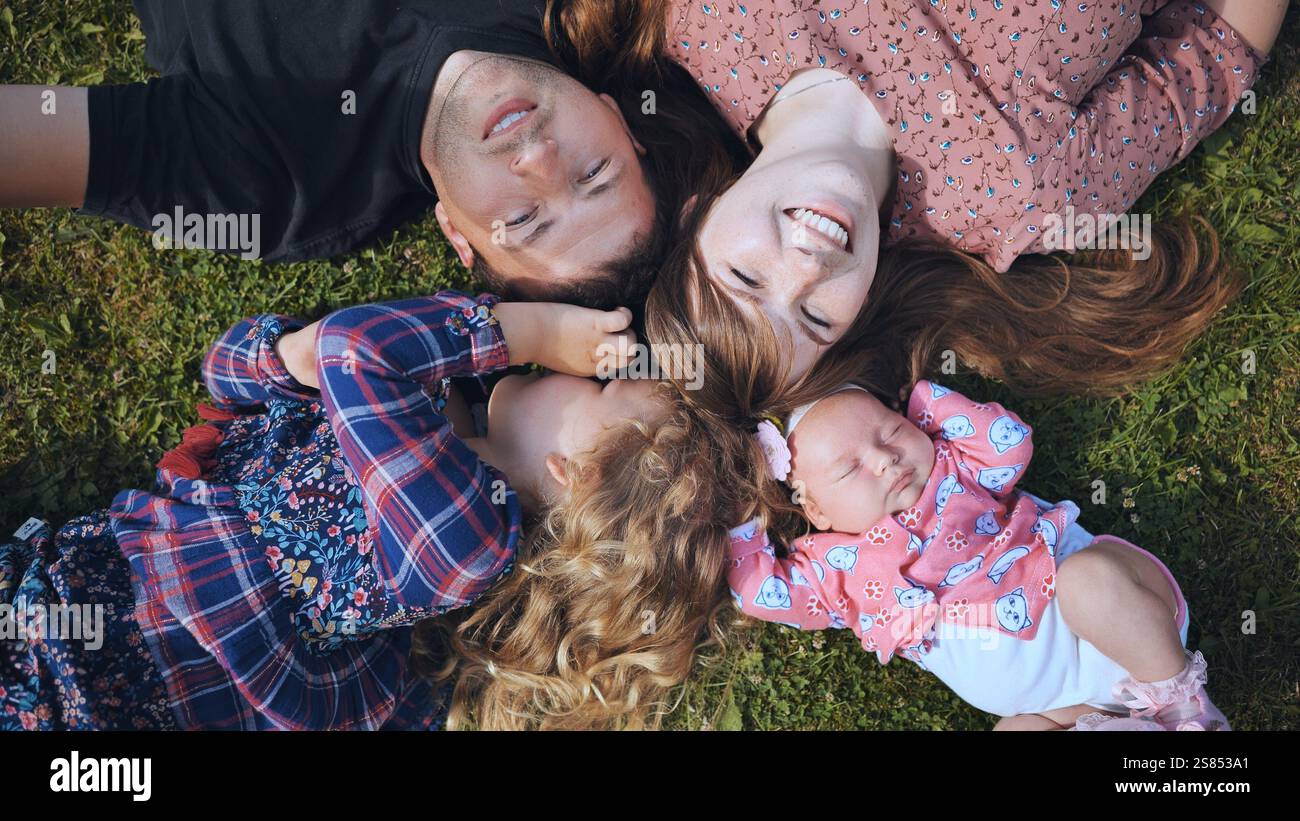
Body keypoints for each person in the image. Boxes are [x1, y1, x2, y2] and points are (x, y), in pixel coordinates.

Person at [0, 290, 747, 730]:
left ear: (575, 474)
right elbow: (228, 375)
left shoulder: (468, 538)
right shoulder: (425, 406)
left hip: (108, 680)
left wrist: (531, 327)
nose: (575, 362)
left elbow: (354, 347)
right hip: (88, 593)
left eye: (601, 384)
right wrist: (296, 353)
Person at [646, 0, 1284, 395]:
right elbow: (1214, 49)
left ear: (695, 213)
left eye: (746, 276)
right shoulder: (1019, 199)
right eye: (816, 318)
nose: (807, 268)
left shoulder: (706, 20)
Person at [0, 0, 744, 308]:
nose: (540, 160)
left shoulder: (284, 186)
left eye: (524, 220)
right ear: (620, 119)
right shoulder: (592, 11)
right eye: (594, 173)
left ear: (458, 236)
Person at [725, 380, 1228, 731]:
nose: (883, 460)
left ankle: (1182, 703)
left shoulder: (955, 471)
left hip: (1099, 619)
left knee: (1089, 581)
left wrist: (927, 402)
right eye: (848, 468)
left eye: (892, 431)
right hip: (1063, 706)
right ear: (815, 510)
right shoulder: (834, 573)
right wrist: (738, 519)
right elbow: (762, 594)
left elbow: (1009, 444)